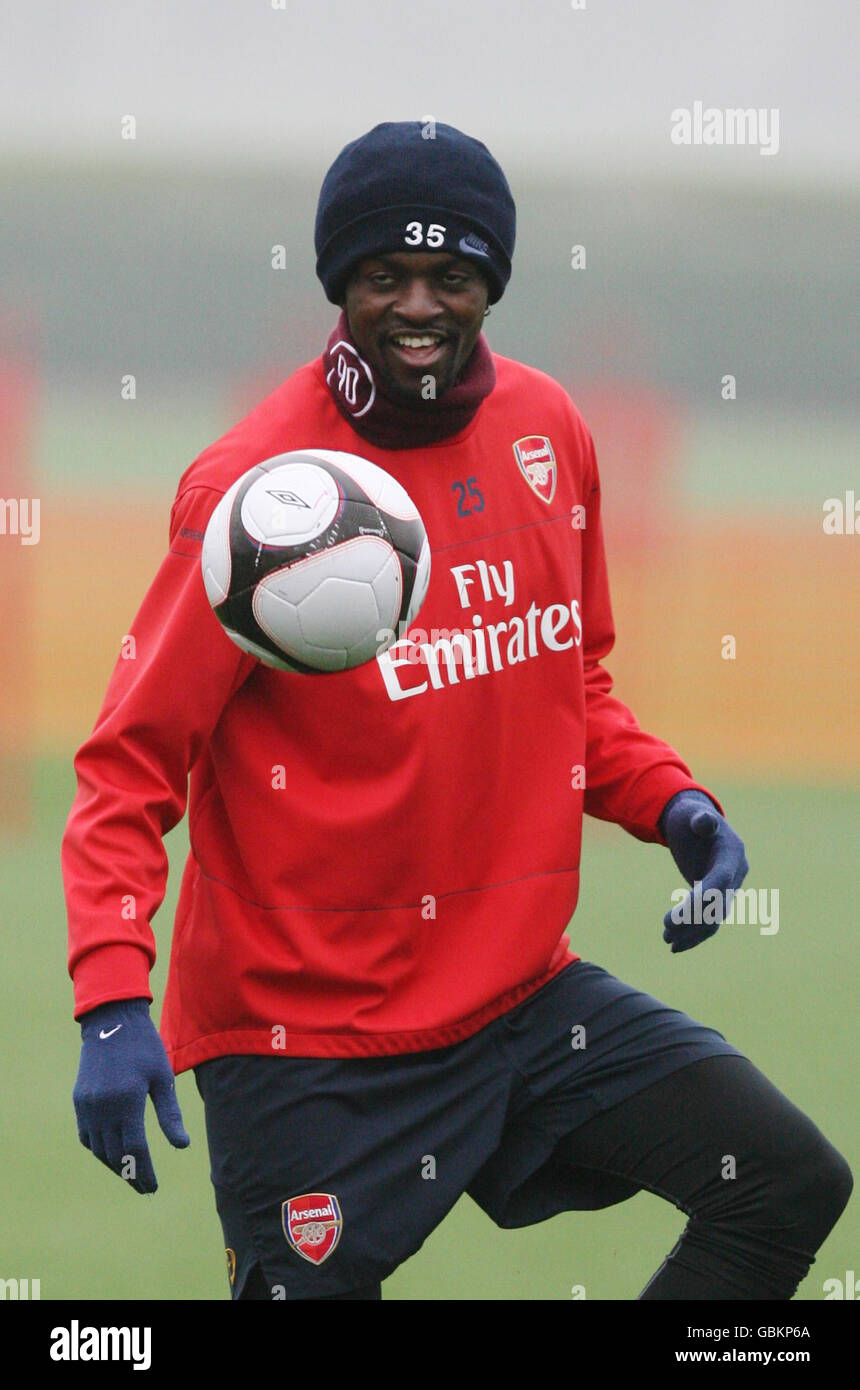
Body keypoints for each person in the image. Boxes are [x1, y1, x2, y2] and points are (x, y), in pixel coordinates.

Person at [63, 121, 851, 1301]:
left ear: (493, 285)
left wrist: (673, 802)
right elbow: (128, 766)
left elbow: (567, 683)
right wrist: (112, 998)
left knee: (783, 1182)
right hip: (305, 1047)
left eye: (453, 277)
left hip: (522, 1000)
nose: (418, 305)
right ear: (341, 286)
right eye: (385, 276)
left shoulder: (548, 434)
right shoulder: (253, 497)